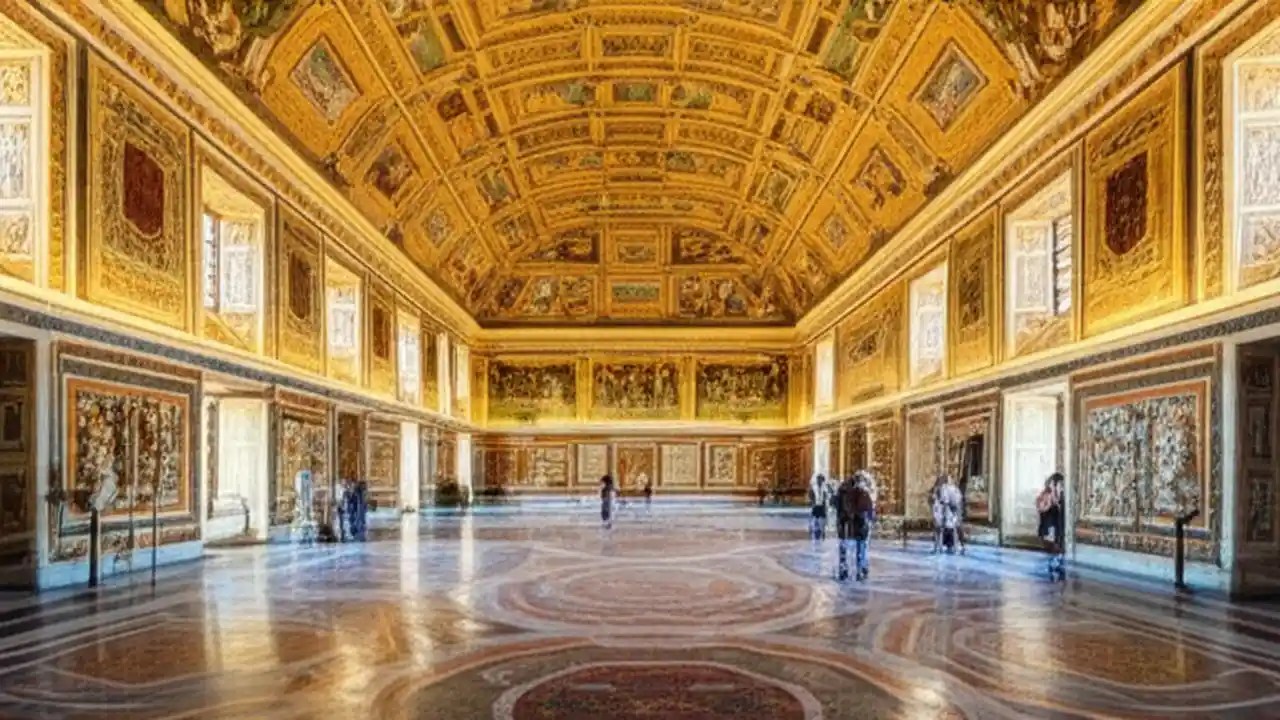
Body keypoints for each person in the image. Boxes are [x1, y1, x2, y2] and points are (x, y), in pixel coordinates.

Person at [837, 472, 876, 581]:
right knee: (860, 546)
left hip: (851, 523)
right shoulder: (860, 492)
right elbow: (868, 509)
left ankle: (848, 568)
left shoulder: (849, 492)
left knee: (854, 546)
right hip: (856, 522)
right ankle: (858, 569)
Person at [1037, 472, 1066, 580]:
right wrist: (1051, 501)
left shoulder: (1062, 497)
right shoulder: (1046, 495)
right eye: (1060, 485)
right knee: (1052, 548)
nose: (1061, 488)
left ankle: (1056, 565)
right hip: (1049, 527)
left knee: (1058, 547)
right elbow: (1041, 509)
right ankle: (1052, 567)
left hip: (1058, 528)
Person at [931, 474, 963, 554]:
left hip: (949, 511)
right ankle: (940, 547)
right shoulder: (944, 488)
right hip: (943, 511)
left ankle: (947, 547)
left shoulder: (951, 489)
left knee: (948, 529)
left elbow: (954, 500)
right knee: (942, 529)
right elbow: (939, 500)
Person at [808, 474, 833, 542]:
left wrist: (827, 500)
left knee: (823, 519)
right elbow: (810, 494)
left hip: (822, 506)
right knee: (815, 518)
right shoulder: (814, 487)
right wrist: (812, 501)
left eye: (821, 480)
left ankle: (823, 531)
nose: (819, 481)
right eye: (818, 479)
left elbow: (829, 494)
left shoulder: (825, 487)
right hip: (815, 505)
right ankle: (815, 530)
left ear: (822, 480)